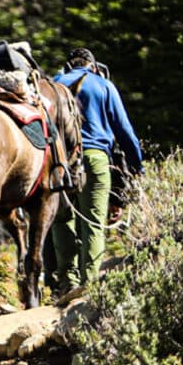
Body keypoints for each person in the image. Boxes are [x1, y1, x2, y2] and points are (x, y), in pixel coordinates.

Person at [48, 48, 144, 295]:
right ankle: (88, 285)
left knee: (62, 220)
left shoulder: (54, 84)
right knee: (93, 222)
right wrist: (136, 166)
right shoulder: (103, 85)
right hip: (95, 157)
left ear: (69, 65)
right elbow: (124, 131)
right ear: (92, 65)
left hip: (59, 160)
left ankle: (66, 281)